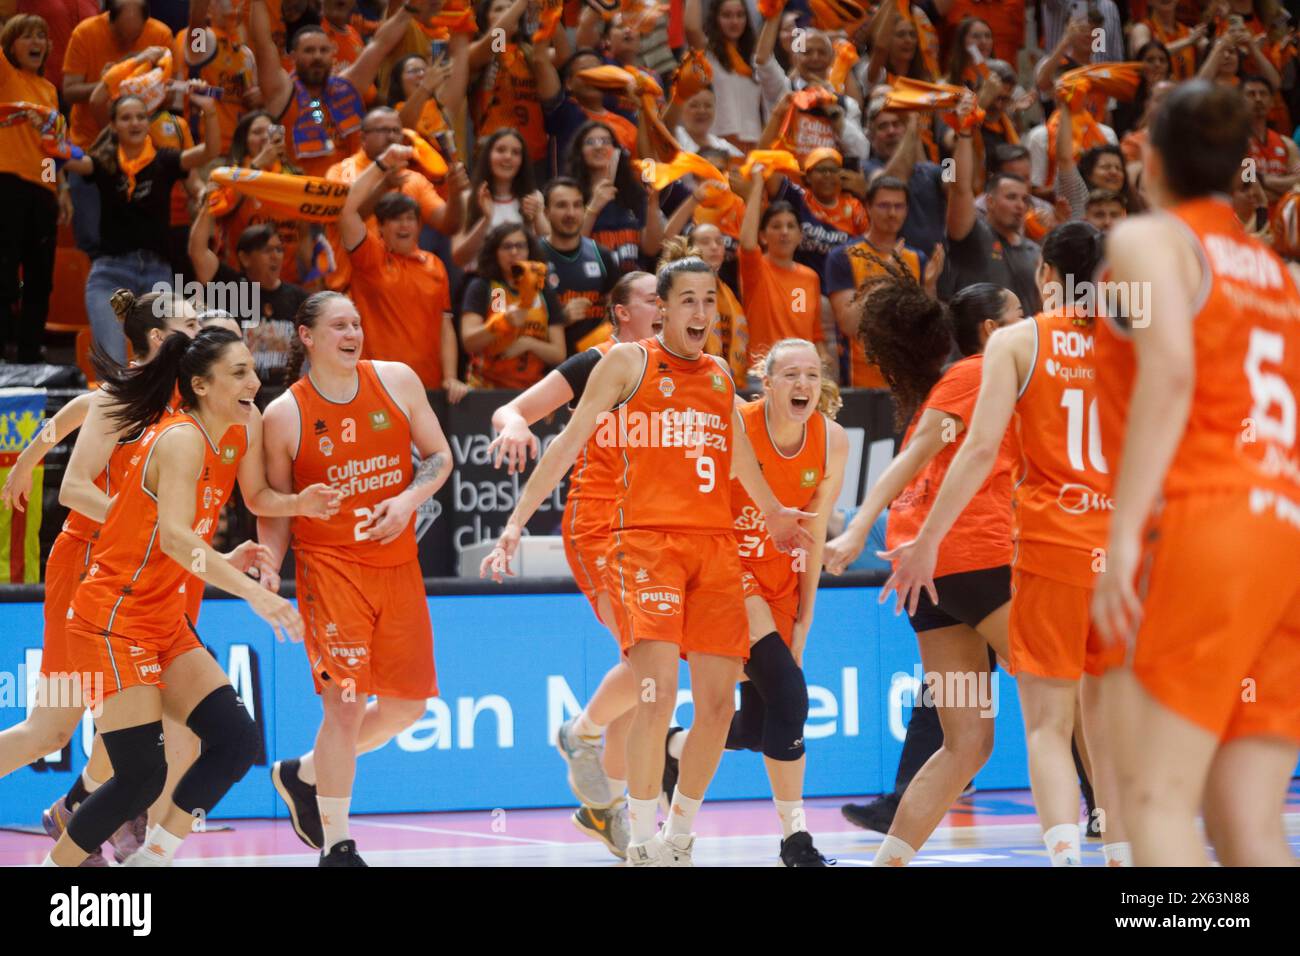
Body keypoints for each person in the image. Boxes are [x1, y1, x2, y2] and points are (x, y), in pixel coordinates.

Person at [480, 247, 814, 865]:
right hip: (644, 543)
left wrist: (771, 511)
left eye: (710, 299)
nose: (702, 310)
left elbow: (738, 453)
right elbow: (566, 441)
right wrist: (514, 524)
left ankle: (678, 835)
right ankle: (638, 836)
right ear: (660, 310)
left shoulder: (717, 373)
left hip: (715, 548)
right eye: (688, 299)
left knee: (715, 704)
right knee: (655, 690)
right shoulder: (624, 362)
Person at [1092, 79, 1300, 867]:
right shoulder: (1274, 274)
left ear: (1149, 155)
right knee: (1246, 824)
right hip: (1281, 532)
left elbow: (1171, 372)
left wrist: (1119, 535)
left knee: (1151, 803)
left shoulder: (1153, 241)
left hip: (1200, 518)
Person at [884, 221, 1135, 867]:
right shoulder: (1141, 341)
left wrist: (924, 540)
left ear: (1046, 273)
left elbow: (971, 452)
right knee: (1102, 725)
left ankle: (1065, 857)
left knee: (1047, 728)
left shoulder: (1019, 342)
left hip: (1050, 545)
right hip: (1122, 552)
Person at [44, 327, 332, 867]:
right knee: (139, 773)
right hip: (113, 619)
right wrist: (256, 595)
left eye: (253, 369)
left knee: (234, 741)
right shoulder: (179, 439)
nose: (255, 380)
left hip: (161, 617)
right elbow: (176, 539)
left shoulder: (226, 435)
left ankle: (153, 859)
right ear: (199, 384)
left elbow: (170, 542)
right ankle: (56, 869)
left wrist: (225, 561)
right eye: (239, 373)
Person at [261, 291, 454, 866]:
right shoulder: (284, 415)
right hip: (331, 571)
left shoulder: (397, 380)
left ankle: (305, 774)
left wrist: (407, 499)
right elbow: (273, 507)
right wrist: (271, 563)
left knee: (406, 709)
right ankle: (339, 844)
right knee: (344, 706)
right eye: (339, 324)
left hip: (398, 567)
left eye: (358, 322)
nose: (353, 333)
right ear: (307, 337)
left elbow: (440, 457)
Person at [831, 280, 1019, 865]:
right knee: (1076, 686)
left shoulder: (973, 380)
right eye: (1019, 313)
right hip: (966, 556)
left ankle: (888, 861)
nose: (1031, 320)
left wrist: (868, 528)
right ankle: (1113, 840)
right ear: (992, 330)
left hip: (932, 575)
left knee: (967, 742)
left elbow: (913, 459)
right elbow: (911, 458)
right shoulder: (976, 375)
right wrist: (858, 527)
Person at [488, 270, 661, 859]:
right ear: (620, 314)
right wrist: (513, 425)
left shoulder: (688, 368)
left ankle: (607, 807)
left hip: (659, 529)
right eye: (652, 299)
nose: (664, 307)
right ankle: (579, 733)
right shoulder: (599, 362)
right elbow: (514, 410)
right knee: (647, 665)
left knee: (642, 671)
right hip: (602, 524)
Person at [667, 338, 848, 866]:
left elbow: (812, 538)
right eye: (790, 375)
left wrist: (807, 615)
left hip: (782, 582)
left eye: (812, 376)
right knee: (792, 698)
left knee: (757, 723)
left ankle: (672, 749)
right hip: (726, 573)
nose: (803, 386)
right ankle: (796, 839)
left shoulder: (831, 441)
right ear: (765, 382)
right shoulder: (735, 427)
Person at [60, 92, 220, 364]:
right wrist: (56, 179)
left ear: (148, 123)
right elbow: (57, 157)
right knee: (113, 367)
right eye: (126, 118)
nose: (134, 123)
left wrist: (210, 111)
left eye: (140, 117)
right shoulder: (101, 162)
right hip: (110, 275)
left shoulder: (165, 160)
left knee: (165, 364)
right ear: (113, 126)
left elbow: (210, 152)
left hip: (157, 276)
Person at [339, 143, 463, 398]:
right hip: (374, 389)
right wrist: (382, 164)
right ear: (381, 227)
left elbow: (445, 326)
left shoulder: (435, 264)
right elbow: (347, 210)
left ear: (420, 225)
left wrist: (451, 377)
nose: (404, 225)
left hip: (428, 391)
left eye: (411, 218)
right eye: (396, 219)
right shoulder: (369, 257)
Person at [247, 0, 413, 177]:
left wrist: (410, 9)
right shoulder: (282, 92)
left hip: (349, 190)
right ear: (293, 57)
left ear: (333, 54)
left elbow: (380, 45)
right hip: (300, 197)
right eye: (309, 51)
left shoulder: (347, 87)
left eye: (323, 50)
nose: (317, 56)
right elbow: (263, 43)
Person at [826, 175, 942, 387]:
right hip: (860, 379)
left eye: (899, 206)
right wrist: (889, 272)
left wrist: (929, 287)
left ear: (907, 210)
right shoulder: (843, 256)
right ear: (868, 207)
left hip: (908, 379)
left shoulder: (917, 258)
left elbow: (926, 328)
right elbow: (850, 324)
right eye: (884, 205)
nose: (892, 213)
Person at [0, 14, 68, 364]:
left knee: (40, 277)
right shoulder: (6, 75)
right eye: (26, 36)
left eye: (41, 35)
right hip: (6, 183)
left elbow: (49, 151)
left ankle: (29, 356)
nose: (37, 42)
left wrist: (56, 188)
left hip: (41, 190)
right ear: (10, 45)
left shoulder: (49, 90)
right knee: (4, 273)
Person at [189, 209, 309, 389]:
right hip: (241, 391)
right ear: (245, 258)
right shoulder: (231, 288)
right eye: (267, 250)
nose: (276, 255)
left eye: (279, 249)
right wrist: (209, 204)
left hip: (288, 392)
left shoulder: (299, 298)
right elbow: (197, 251)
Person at [945, 95, 1043, 315]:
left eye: (1024, 199)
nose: (1020, 205)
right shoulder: (972, 234)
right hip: (976, 347)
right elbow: (958, 188)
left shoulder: (1034, 250)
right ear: (989, 201)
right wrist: (964, 133)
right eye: (1011, 197)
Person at [738, 166, 832, 371]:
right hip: (763, 371)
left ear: (800, 236)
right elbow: (746, 243)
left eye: (791, 226)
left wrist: (824, 361)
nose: (784, 232)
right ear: (763, 236)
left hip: (801, 370)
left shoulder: (810, 277)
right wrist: (757, 185)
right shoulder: (756, 268)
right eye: (776, 226)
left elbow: (815, 334)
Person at [460, 221, 566, 389]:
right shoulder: (482, 286)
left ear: (529, 250)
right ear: (495, 252)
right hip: (485, 387)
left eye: (520, 246)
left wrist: (528, 343)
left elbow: (559, 353)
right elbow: (469, 342)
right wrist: (503, 323)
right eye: (507, 247)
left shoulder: (543, 291)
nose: (514, 252)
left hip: (531, 389)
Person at [538, 177, 620, 354]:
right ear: (545, 212)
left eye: (577, 205)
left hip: (596, 361)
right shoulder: (533, 257)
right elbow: (520, 323)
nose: (571, 213)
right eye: (561, 205)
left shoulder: (602, 255)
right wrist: (561, 319)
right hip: (547, 367)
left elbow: (617, 312)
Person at [453, 127, 548, 268]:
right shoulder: (467, 199)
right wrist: (485, 220)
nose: (508, 157)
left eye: (515, 153)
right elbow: (459, 258)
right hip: (482, 285)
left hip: (522, 285)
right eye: (501, 150)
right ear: (488, 156)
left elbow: (551, 252)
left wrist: (538, 216)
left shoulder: (534, 197)